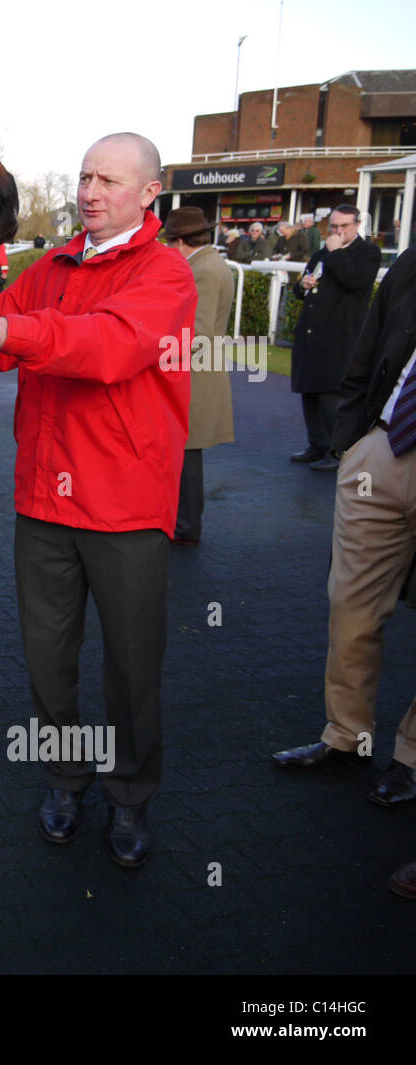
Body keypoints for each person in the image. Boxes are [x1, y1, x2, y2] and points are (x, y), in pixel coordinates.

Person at [0, 132, 196, 868]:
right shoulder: (53, 267)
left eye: (110, 180)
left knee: (131, 669)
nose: (91, 191)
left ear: (150, 193)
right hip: (45, 504)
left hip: (124, 509)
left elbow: (108, 345)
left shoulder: (165, 274)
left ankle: (129, 796)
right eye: (86, 176)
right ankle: (65, 777)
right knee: (48, 661)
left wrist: (10, 326)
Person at [271, 248, 416, 873]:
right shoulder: (412, 264)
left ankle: (410, 758)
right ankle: (348, 737)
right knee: (351, 604)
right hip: (383, 450)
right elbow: (370, 347)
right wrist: (353, 440)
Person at [287, 204, 382, 471]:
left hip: (340, 336)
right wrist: (302, 286)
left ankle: (336, 451)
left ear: (357, 225)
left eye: (344, 227)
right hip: (311, 334)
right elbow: (302, 287)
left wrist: (336, 253)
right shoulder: (321, 253)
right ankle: (316, 445)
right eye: (334, 227)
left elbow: (357, 282)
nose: (338, 232)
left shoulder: (368, 253)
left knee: (331, 398)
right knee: (310, 393)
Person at [163, 208, 235, 545]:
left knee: (187, 456)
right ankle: (185, 521)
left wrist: (156, 352)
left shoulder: (202, 271)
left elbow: (198, 332)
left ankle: (186, 524)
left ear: (180, 241)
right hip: (202, 370)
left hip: (195, 375)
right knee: (187, 455)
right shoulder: (212, 263)